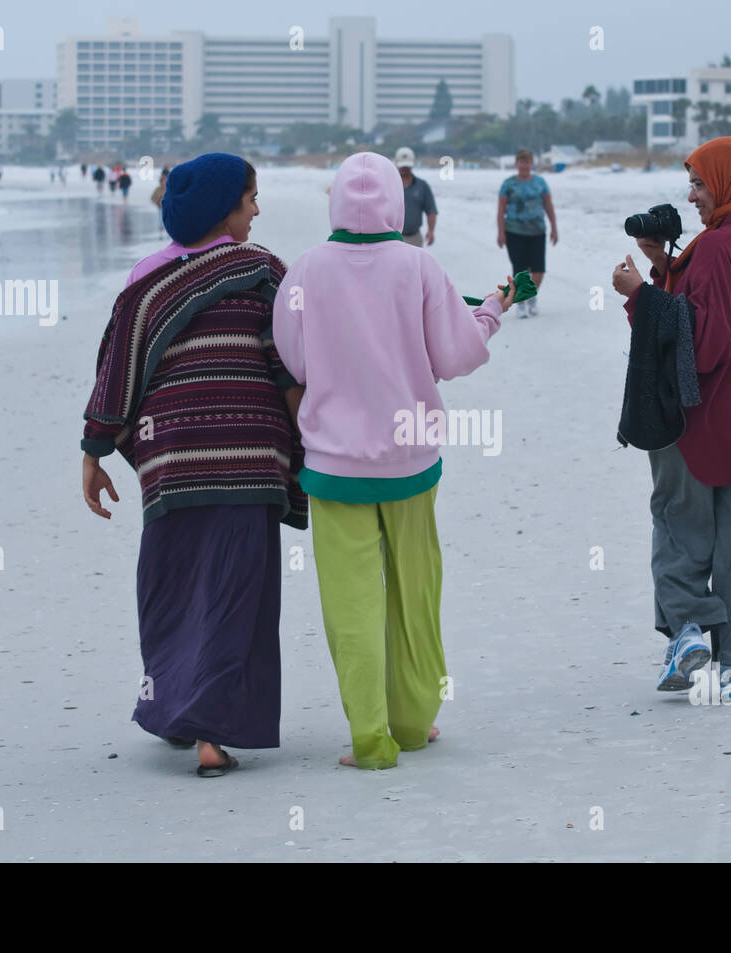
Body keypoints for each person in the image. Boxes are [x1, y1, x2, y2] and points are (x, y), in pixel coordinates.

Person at [272, 152, 514, 770]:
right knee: (416, 592)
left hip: (333, 464)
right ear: (394, 202)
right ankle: (411, 721)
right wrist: (488, 312)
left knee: (350, 604)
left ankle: (370, 739)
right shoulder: (420, 268)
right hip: (409, 461)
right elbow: (457, 353)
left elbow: (295, 361)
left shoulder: (303, 271)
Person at [81, 153, 307, 777]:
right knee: (237, 592)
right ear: (224, 209)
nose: (258, 209)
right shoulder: (265, 274)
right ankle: (211, 731)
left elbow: (118, 371)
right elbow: (286, 365)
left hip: (171, 460)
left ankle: (179, 710)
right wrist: (309, 442)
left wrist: (95, 451)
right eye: (251, 198)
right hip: (249, 457)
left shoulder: (146, 288)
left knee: (170, 588)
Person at [609, 132, 731, 702]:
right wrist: (664, 264)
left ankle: (688, 630)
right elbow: (718, 312)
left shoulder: (713, 249)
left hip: (697, 420)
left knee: (679, 526)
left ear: (725, 183)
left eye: (698, 184)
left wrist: (640, 293)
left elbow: (703, 344)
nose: (691, 197)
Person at [497, 148, 557, 317]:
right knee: (520, 270)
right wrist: (501, 232)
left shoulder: (540, 182)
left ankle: (531, 297)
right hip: (514, 232)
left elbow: (548, 205)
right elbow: (501, 209)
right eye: (521, 161)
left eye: (527, 161)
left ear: (532, 163)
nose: (524, 165)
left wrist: (554, 228)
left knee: (538, 270)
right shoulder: (508, 184)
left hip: (537, 231)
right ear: (516, 164)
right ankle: (520, 303)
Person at [394, 146, 437, 247]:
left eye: (407, 166)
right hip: (393, 238)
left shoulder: (422, 186)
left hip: (415, 238)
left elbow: (431, 210)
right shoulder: (389, 185)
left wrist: (431, 231)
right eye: (402, 166)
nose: (404, 169)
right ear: (396, 164)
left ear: (412, 164)